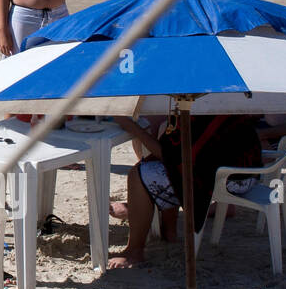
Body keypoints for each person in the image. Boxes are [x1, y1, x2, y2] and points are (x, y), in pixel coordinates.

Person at [107, 114, 263, 269]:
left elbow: (170, 157)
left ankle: (135, 251)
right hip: (248, 172)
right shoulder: (220, 99)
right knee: (164, 164)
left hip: (227, 178)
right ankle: (170, 231)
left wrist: (132, 128)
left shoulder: (197, 106)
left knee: (139, 174)